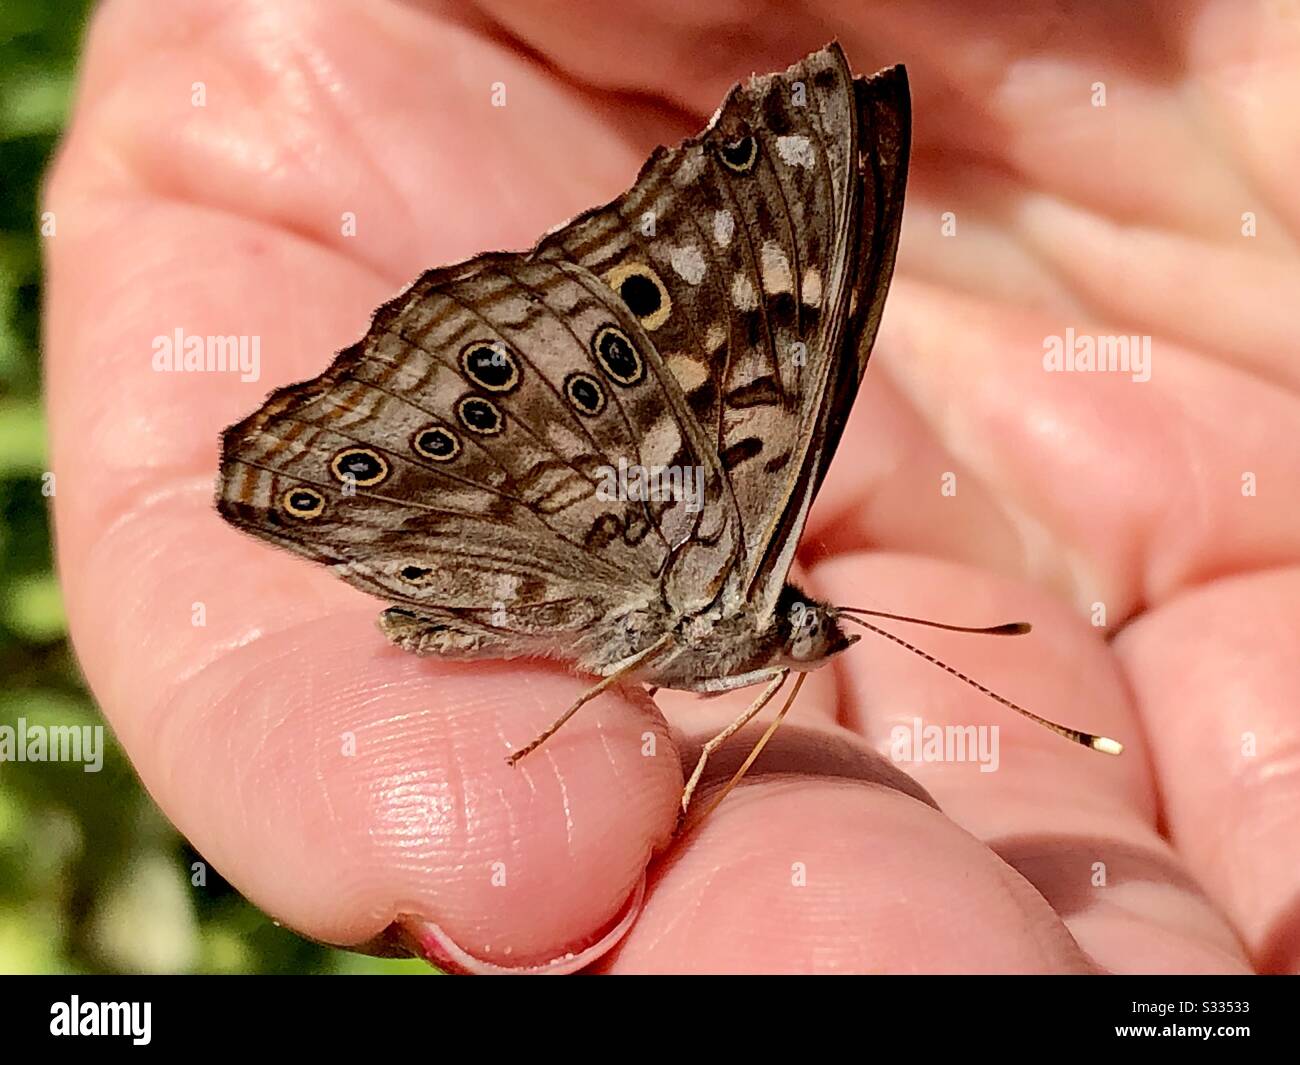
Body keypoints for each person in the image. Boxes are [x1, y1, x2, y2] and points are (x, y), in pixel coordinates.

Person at [44, 0, 1299, 973]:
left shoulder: (750, 603)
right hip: (513, 461)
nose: (807, 642)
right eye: (799, 630)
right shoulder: (730, 563)